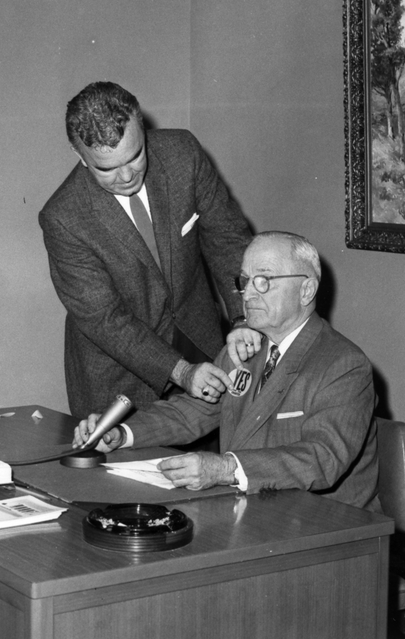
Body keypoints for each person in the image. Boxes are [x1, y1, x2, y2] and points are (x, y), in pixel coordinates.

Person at [74, 231, 381, 510]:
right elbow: (190, 412)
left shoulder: (343, 364)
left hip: (324, 525)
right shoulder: (245, 348)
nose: (247, 295)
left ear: (306, 290)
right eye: (244, 281)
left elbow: (321, 458)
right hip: (252, 510)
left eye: (264, 281)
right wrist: (121, 433)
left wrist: (225, 469)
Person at [39, 81, 260, 418]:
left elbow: (227, 238)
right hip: (119, 376)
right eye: (107, 168)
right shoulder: (64, 218)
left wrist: (244, 318)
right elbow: (105, 320)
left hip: (201, 340)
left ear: (142, 127)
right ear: (78, 155)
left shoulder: (182, 154)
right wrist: (182, 372)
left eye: (135, 156)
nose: (127, 176)